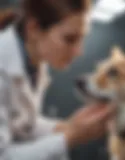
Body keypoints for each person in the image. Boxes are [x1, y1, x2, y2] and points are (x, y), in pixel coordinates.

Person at [0, 2, 114, 160]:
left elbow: (24, 124)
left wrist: (69, 126)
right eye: (69, 39)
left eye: (82, 39)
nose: (79, 51)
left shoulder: (36, 63)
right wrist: (70, 137)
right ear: (34, 29)